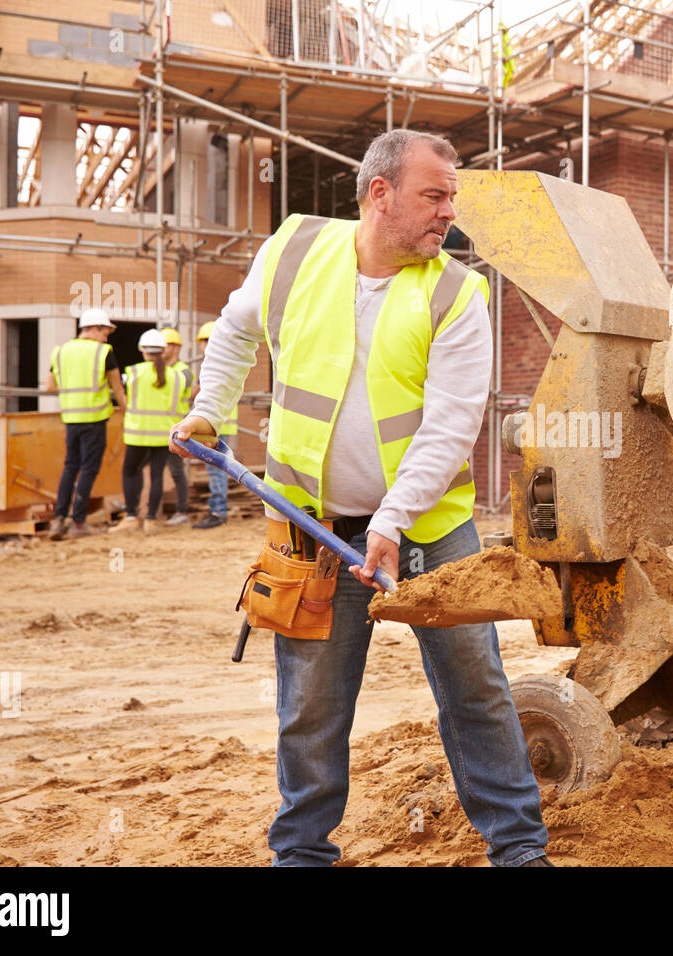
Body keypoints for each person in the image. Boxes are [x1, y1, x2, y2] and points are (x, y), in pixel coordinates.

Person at [170, 129, 551, 867]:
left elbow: (448, 429)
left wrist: (392, 520)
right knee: (310, 706)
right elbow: (232, 331)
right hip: (312, 531)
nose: (449, 212)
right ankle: (303, 854)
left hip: (430, 531)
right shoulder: (294, 252)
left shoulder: (455, 293)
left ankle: (519, 849)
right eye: (434, 195)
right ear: (380, 193)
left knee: (476, 689)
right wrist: (208, 409)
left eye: (452, 198)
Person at [44, 307, 127, 539]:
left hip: (71, 419)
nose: (107, 336)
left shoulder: (61, 351)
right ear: (96, 328)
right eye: (106, 331)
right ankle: (78, 523)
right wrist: (128, 410)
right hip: (95, 419)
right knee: (88, 470)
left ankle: (59, 520)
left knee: (70, 467)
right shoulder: (103, 352)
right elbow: (117, 388)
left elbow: (49, 386)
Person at [114, 329, 184, 534]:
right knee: (156, 475)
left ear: (143, 350)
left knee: (130, 471)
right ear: (163, 350)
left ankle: (131, 516)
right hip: (163, 433)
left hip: (137, 432)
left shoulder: (133, 373)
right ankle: (151, 519)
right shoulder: (177, 376)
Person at [190, 321, 237, 530]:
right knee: (216, 469)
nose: (205, 345)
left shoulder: (215, 365)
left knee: (216, 470)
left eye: (207, 340)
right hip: (218, 424)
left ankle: (218, 511)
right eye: (204, 341)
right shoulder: (223, 363)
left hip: (217, 425)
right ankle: (218, 509)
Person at [160, 327, 193, 526]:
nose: (161, 350)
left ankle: (182, 511)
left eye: (165, 346)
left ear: (175, 348)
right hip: (156, 428)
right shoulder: (160, 370)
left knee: (176, 471)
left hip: (175, 428)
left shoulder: (183, 371)